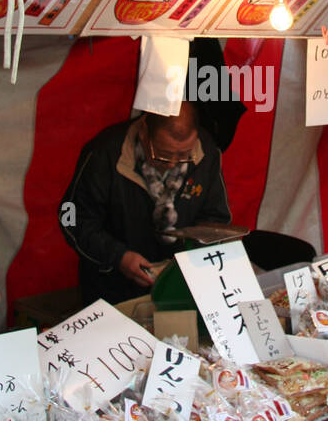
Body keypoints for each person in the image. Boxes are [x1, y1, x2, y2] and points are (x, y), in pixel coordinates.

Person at [59, 101, 232, 306]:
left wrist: (190, 258)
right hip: (112, 290)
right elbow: (71, 218)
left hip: (178, 287)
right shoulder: (105, 153)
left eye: (183, 155)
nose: (172, 163)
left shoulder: (206, 152)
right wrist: (119, 257)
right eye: (163, 155)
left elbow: (216, 218)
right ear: (143, 132)